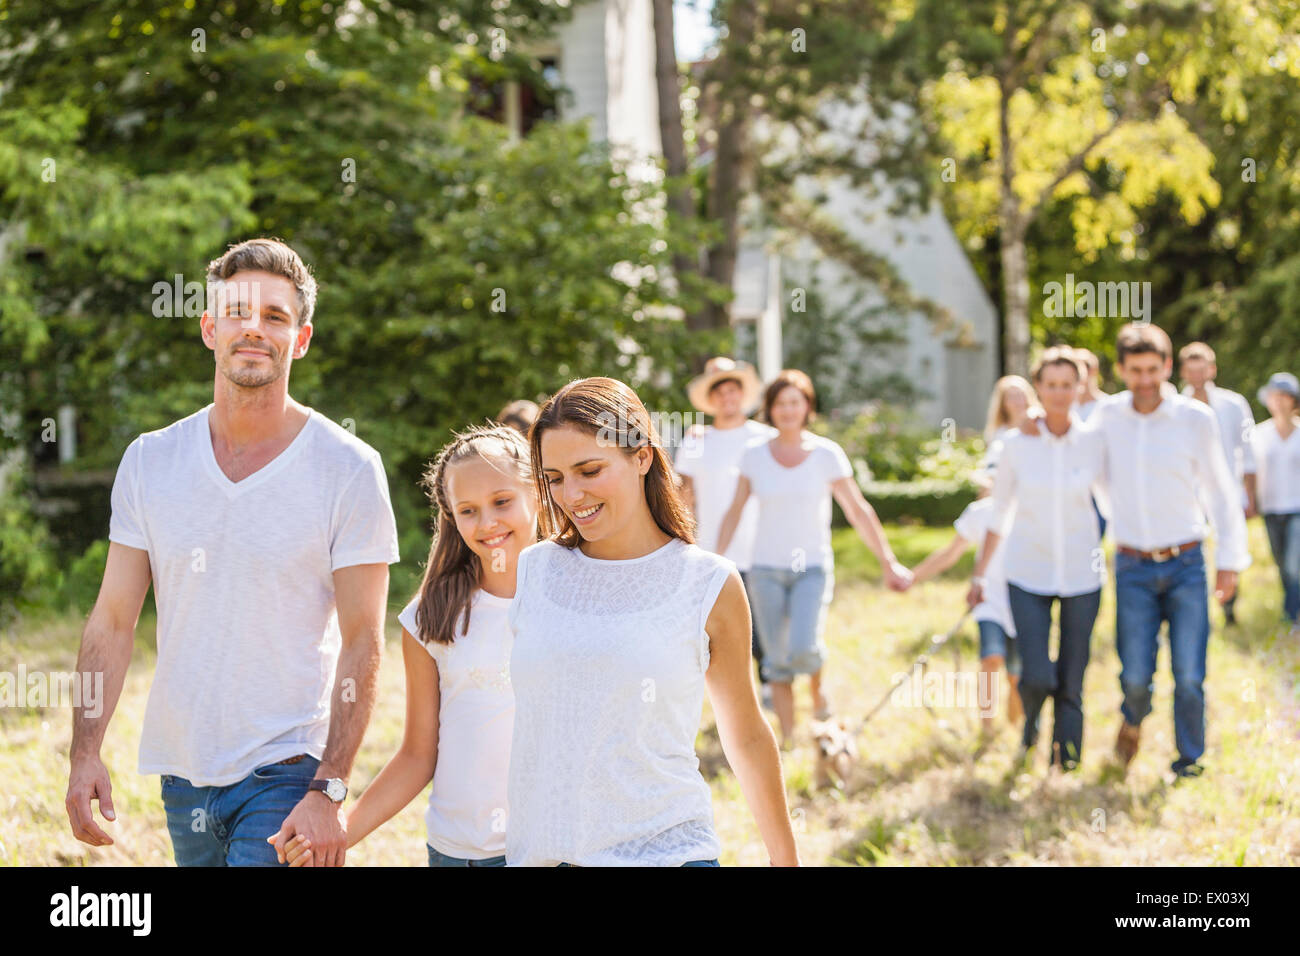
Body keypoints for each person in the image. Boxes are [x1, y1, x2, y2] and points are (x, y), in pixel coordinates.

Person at [66, 238, 401, 866]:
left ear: (299, 339)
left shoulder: (348, 468)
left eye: (276, 316)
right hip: (183, 774)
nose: (254, 328)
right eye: (239, 311)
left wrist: (329, 786)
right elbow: (112, 620)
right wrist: (85, 751)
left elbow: (364, 638)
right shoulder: (151, 461)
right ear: (209, 327)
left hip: (288, 770)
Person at [506, 376, 799, 866]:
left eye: (590, 469)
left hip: (666, 852)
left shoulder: (707, 582)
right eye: (554, 478)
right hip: (543, 855)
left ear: (641, 456)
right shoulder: (534, 569)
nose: (571, 494)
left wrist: (785, 860)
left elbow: (745, 733)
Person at [279, 424, 539, 868]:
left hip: (544, 852)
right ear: (451, 516)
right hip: (456, 854)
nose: (489, 522)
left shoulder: (574, 598)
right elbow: (418, 755)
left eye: (502, 502)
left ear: (536, 493)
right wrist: (340, 834)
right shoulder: (432, 618)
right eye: (468, 510)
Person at [1027, 324, 1248, 778]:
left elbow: (1221, 493)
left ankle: (1190, 760)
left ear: (1168, 366)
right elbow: (1075, 457)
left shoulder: (1194, 419)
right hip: (1132, 567)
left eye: (1153, 369)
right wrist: (1031, 423)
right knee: (1134, 676)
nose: (1145, 379)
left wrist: (1229, 562)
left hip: (1188, 561)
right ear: (1122, 371)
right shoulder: (1107, 418)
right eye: (1135, 370)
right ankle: (1132, 718)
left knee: (1189, 674)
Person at [716, 369, 912, 747]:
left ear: (807, 407)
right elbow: (734, 511)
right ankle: (789, 742)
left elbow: (858, 510)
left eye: (795, 402)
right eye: (780, 403)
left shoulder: (826, 454)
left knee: (804, 647)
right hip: (766, 569)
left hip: (812, 569)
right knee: (775, 659)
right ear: (770, 410)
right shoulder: (754, 456)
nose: (788, 410)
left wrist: (888, 561)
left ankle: (820, 696)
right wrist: (713, 560)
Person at [973, 348, 1107, 771]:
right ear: (1039, 388)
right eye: (1051, 384)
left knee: (1071, 678)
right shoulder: (1016, 444)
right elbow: (1000, 511)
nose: (1060, 393)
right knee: (1035, 676)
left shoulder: (1095, 441)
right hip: (1026, 572)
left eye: (1068, 385)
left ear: (1081, 387)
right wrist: (979, 575)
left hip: (1082, 576)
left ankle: (1065, 762)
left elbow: (1118, 501)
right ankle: (1029, 732)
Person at [675, 357, 777, 706]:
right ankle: (725, 691)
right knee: (718, 624)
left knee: (761, 620)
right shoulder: (698, 440)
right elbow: (684, 494)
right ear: (712, 399)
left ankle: (768, 685)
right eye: (720, 392)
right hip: (712, 548)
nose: (727, 398)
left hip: (760, 545)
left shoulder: (765, 438)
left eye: (734, 390)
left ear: (742, 395)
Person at [909, 470, 1022, 734]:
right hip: (988, 601)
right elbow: (950, 553)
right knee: (991, 659)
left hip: (1023, 602)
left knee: (1016, 674)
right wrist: (914, 577)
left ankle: (1018, 727)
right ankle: (987, 726)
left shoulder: (1029, 510)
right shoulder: (980, 513)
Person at [1179, 342, 1257, 625]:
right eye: (1191, 370)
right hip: (1189, 492)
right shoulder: (1176, 407)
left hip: (1227, 490)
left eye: (1202, 369)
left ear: (1212, 369)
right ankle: (1195, 609)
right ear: (1183, 372)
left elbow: (1247, 451)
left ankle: (1229, 605)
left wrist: (1250, 493)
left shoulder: (1233, 404)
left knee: (1231, 544)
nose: (1197, 376)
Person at [1251, 372, 1300, 632]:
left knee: (1294, 564)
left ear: (1293, 401)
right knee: (1282, 563)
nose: (1279, 402)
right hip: (1270, 508)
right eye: (1275, 397)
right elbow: (1250, 472)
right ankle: (1294, 604)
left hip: (1297, 509)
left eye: (1285, 397)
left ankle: (1291, 616)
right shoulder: (1259, 435)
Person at [981, 375, 1040, 469]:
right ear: (1003, 402)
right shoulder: (997, 433)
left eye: (1020, 395)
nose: (1017, 401)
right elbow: (991, 465)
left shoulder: (1039, 424)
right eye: (1011, 397)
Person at [1073, 347, 1109, 422]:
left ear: (1095, 369)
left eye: (1086, 365)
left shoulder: (1107, 404)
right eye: (1076, 367)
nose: (1082, 371)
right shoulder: (1065, 405)